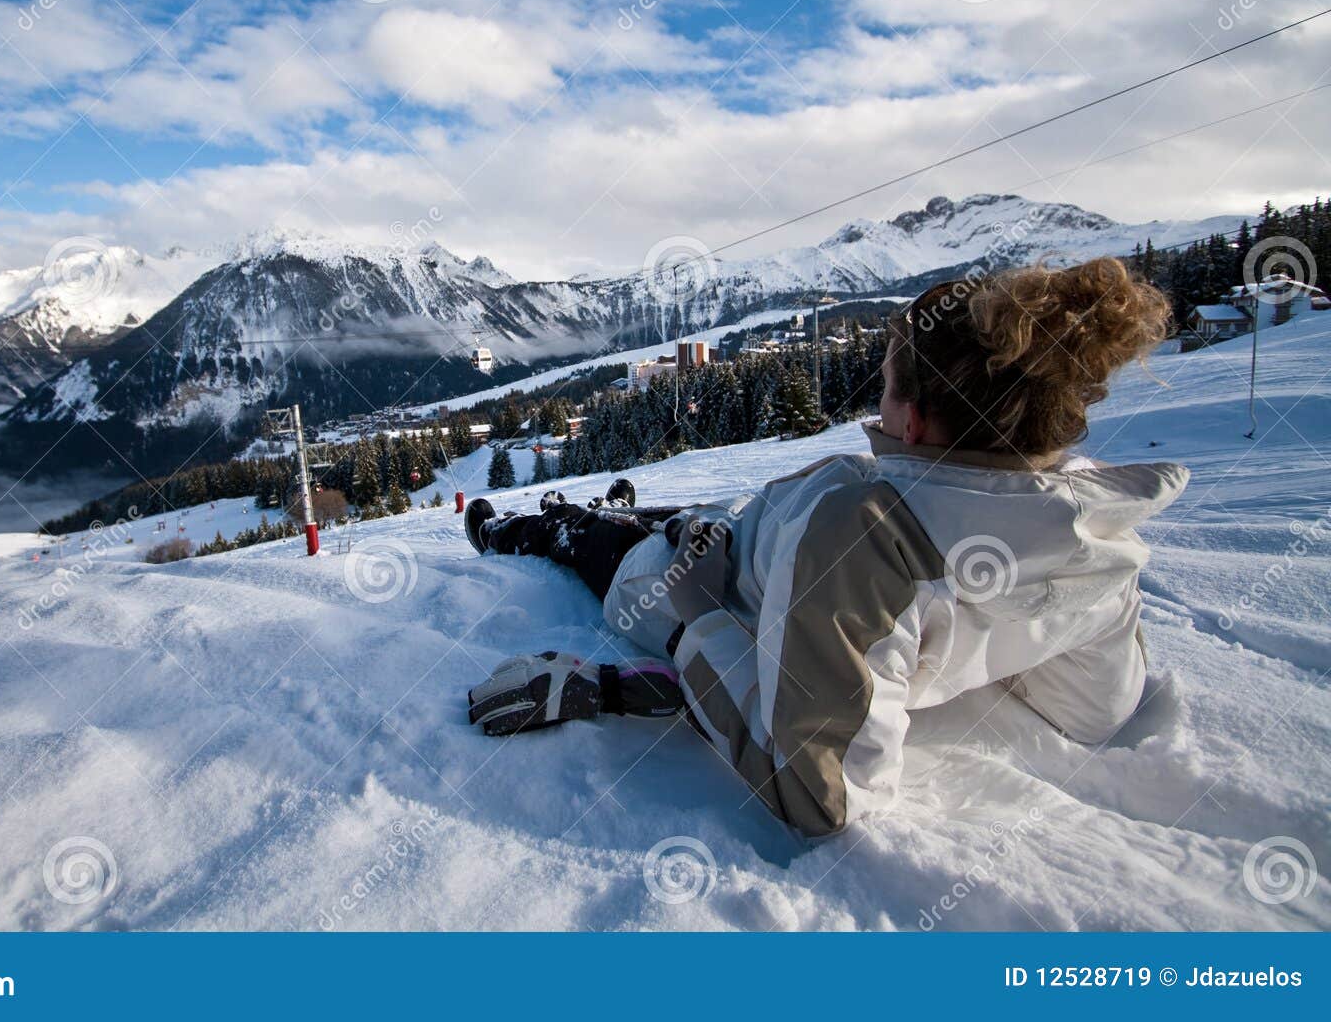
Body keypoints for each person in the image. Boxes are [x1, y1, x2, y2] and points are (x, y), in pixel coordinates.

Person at [463, 256, 1188, 837]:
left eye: (887, 387)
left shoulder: (868, 537)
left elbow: (820, 795)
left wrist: (696, 616)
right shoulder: (1091, 530)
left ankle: (524, 526)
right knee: (683, 516)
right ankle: (621, 515)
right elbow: (1097, 708)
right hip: (753, 535)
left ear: (913, 423)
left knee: (600, 548)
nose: (877, 402)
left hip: (686, 577)